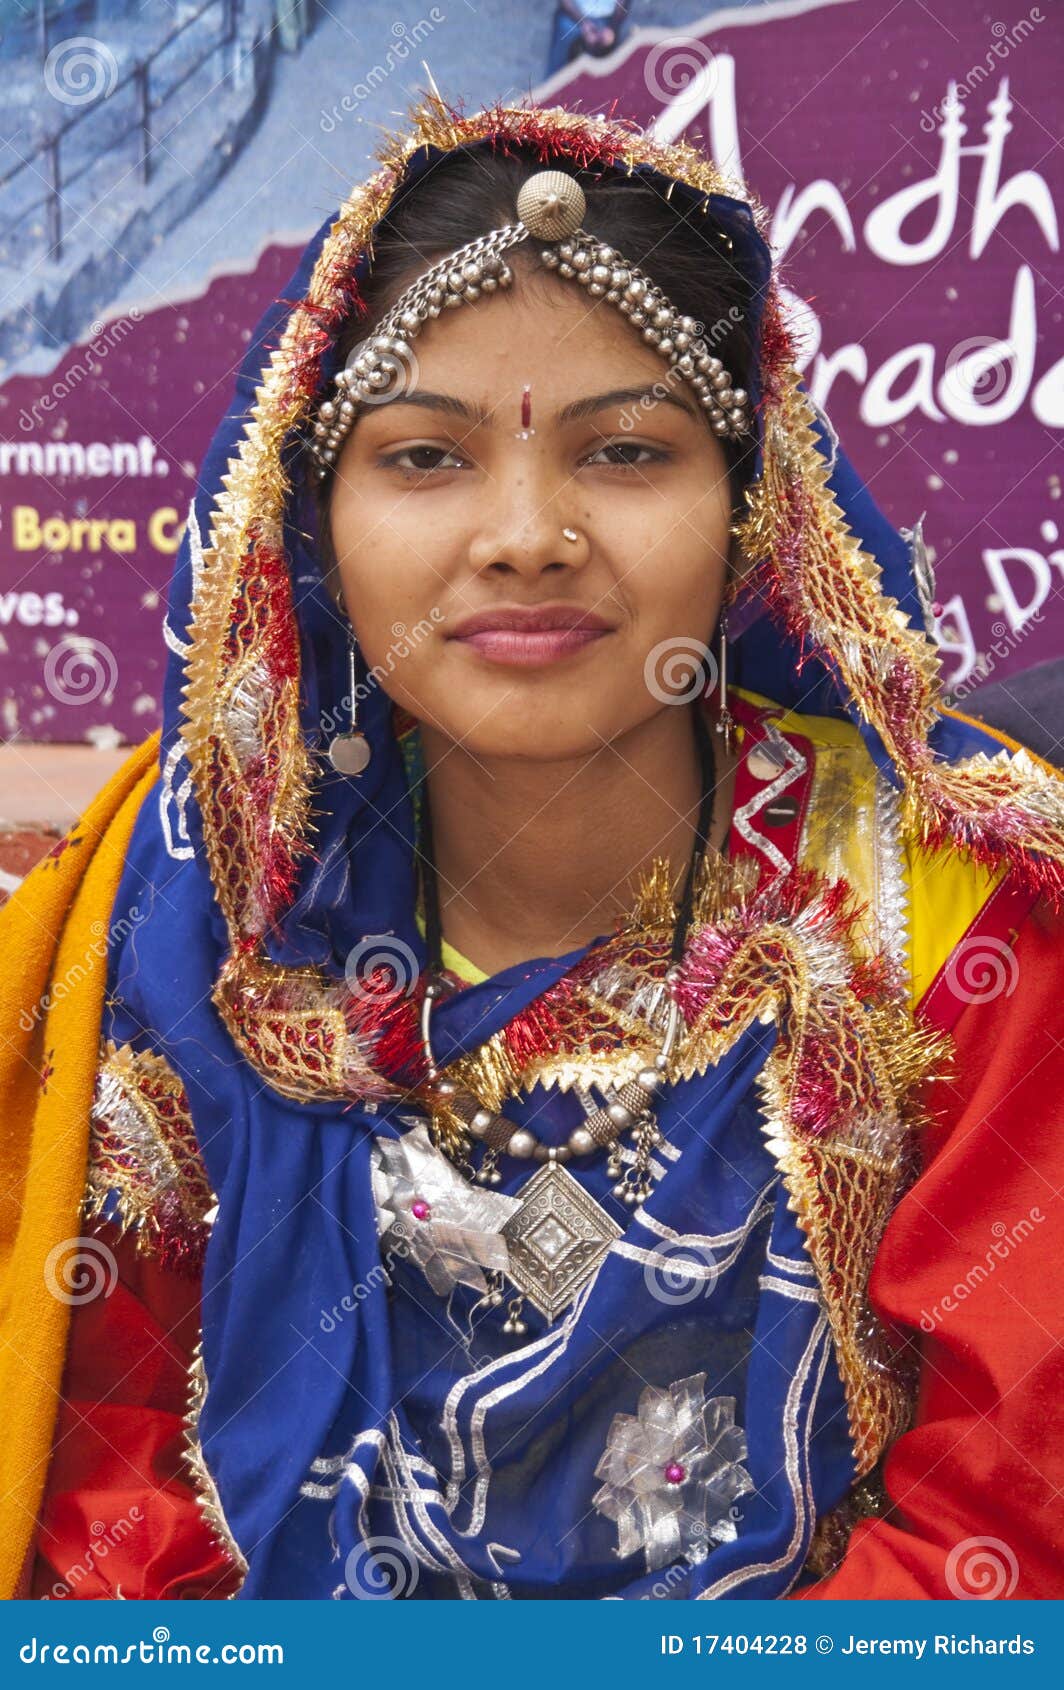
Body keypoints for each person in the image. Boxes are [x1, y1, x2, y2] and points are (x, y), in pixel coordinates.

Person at [1, 91, 1063, 1603]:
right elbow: (117, 1529)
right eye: (425, 459)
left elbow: (1007, 1534)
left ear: (753, 506)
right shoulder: (194, 912)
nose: (526, 534)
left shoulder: (955, 904)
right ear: (308, 515)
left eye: (626, 453)